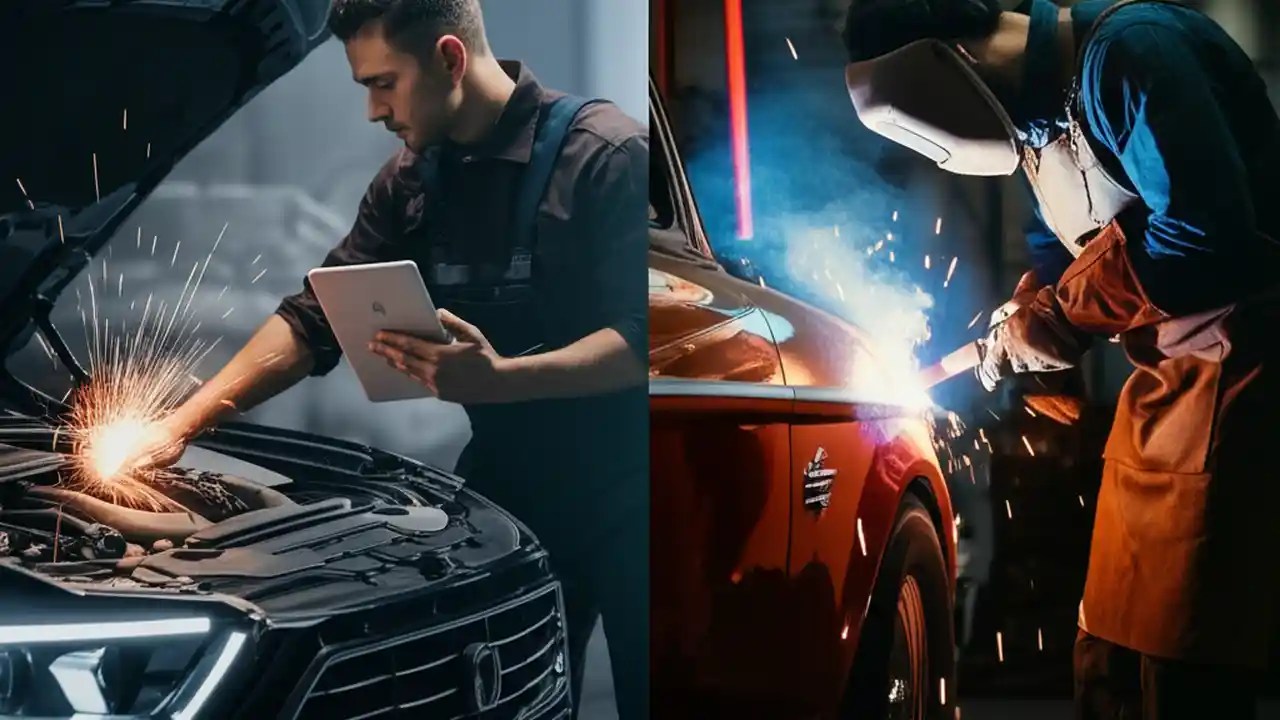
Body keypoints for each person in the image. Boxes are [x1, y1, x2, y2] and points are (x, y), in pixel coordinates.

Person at [128, 1, 649, 717]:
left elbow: (651, 337)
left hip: (636, 492)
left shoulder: (608, 156)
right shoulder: (409, 185)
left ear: (449, 59)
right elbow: (313, 320)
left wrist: (503, 380)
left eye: (384, 83)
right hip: (512, 487)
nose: (374, 110)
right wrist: (180, 424)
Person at [842, 0, 1280, 717]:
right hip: (1159, 388)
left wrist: (1058, 317)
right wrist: (1030, 318)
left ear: (947, 65)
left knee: (1181, 665)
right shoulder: (1036, 123)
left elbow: (1207, 230)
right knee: (1106, 653)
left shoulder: (1129, 56)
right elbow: (1060, 252)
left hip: (1242, 375)